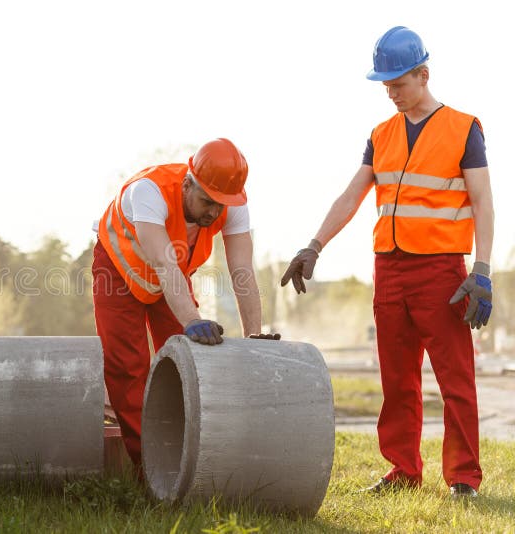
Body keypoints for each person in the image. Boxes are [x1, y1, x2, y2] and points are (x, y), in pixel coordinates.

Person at [281, 26, 494, 499]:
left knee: (455, 378)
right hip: (389, 270)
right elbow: (352, 195)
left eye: (398, 83)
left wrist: (482, 270)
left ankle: (463, 478)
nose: (391, 93)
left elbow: (483, 202)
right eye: (385, 85)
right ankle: (403, 469)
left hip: (441, 272)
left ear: (423, 75)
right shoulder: (381, 134)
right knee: (397, 380)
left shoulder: (464, 129)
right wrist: (314, 245)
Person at [92, 138, 273, 468]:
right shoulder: (149, 192)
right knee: (128, 368)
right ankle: (151, 469)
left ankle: (188, 457)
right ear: (188, 184)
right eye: (207, 202)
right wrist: (191, 319)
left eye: (221, 205)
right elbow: (163, 265)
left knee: (188, 362)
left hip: (172, 276)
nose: (214, 212)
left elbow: (242, 271)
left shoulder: (232, 203)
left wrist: (254, 335)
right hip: (119, 272)